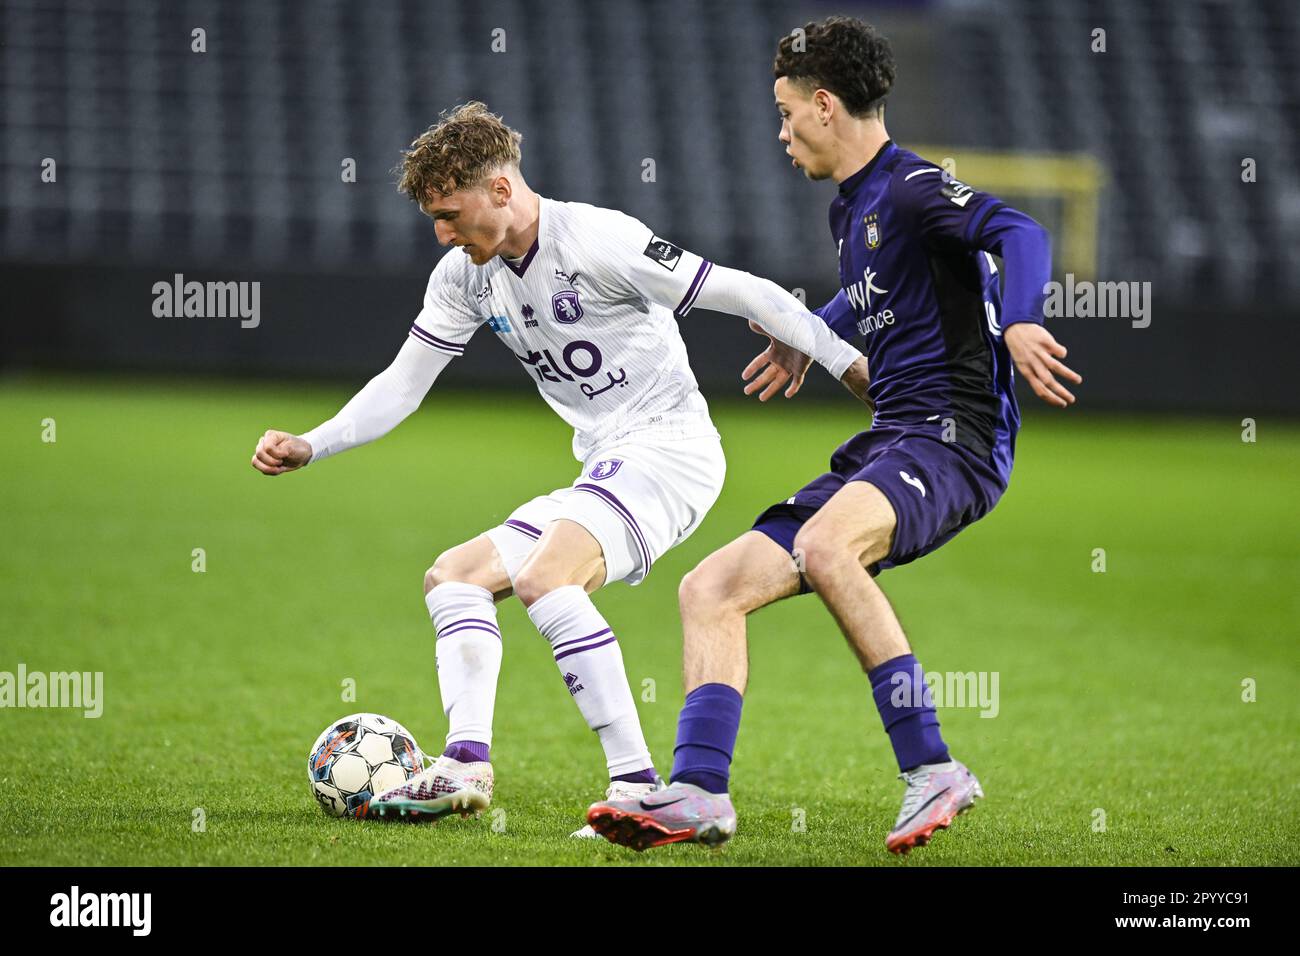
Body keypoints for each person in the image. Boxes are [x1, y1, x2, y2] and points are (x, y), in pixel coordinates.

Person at [250, 101, 868, 835]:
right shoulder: (465, 276)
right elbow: (404, 384)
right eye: (434, 220)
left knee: (547, 577)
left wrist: (851, 366)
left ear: (501, 189)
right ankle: (464, 765)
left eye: (449, 215)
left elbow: (748, 293)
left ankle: (637, 784)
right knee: (454, 578)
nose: (442, 234)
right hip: (605, 464)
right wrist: (313, 443)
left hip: (670, 450)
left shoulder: (599, 240)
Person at [587, 16, 1081, 854]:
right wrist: (806, 333)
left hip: (954, 440)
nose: (782, 134)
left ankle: (933, 767)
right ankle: (700, 791)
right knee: (710, 588)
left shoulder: (914, 187)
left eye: (786, 114)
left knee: (824, 546)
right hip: (891, 440)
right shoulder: (853, 210)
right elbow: (870, 291)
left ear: (824, 105)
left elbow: (1019, 232)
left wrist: (1025, 318)